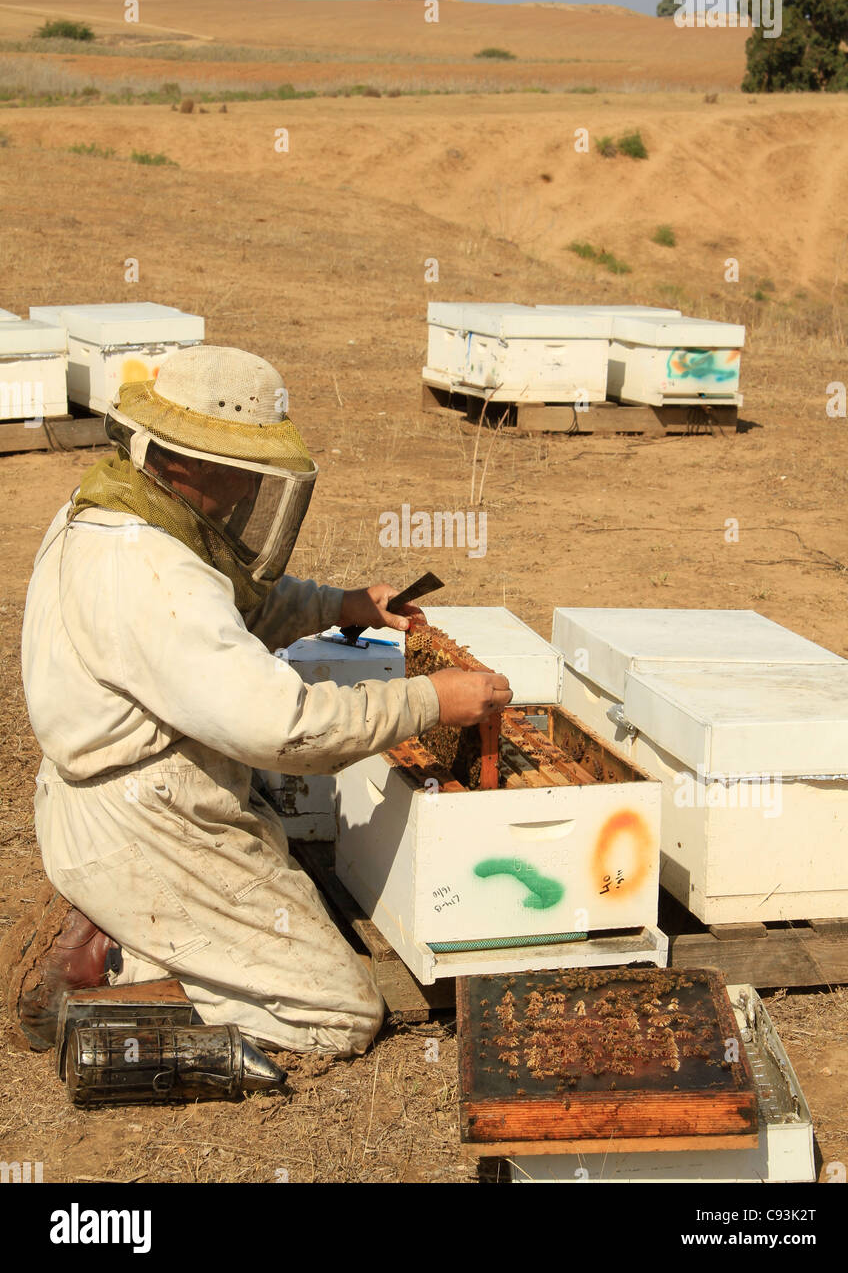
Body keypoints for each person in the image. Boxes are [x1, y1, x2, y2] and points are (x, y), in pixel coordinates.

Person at [3, 345, 511, 1055]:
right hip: (148, 819)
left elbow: (228, 610)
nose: (248, 492)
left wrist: (345, 606)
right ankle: (104, 1006)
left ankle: (120, 927)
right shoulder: (148, 569)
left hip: (116, 798)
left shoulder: (120, 509)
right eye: (240, 473)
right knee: (336, 1011)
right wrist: (429, 701)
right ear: (187, 461)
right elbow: (285, 728)